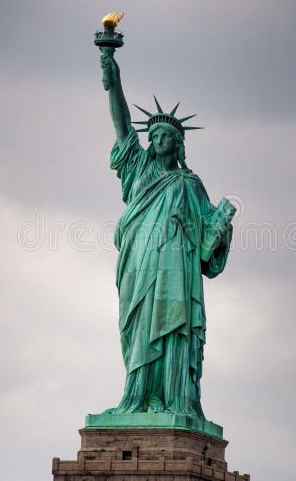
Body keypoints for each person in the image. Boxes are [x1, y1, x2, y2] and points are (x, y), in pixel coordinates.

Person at [99, 47, 235, 418]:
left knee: (173, 326)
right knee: (139, 323)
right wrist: (113, 79)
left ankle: (172, 397)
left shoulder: (190, 184)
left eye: (166, 136)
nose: (158, 140)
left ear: (178, 143)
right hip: (138, 260)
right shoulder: (138, 168)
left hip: (176, 266)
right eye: (154, 135)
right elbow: (122, 125)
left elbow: (208, 236)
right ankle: (140, 395)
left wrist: (221, 227)